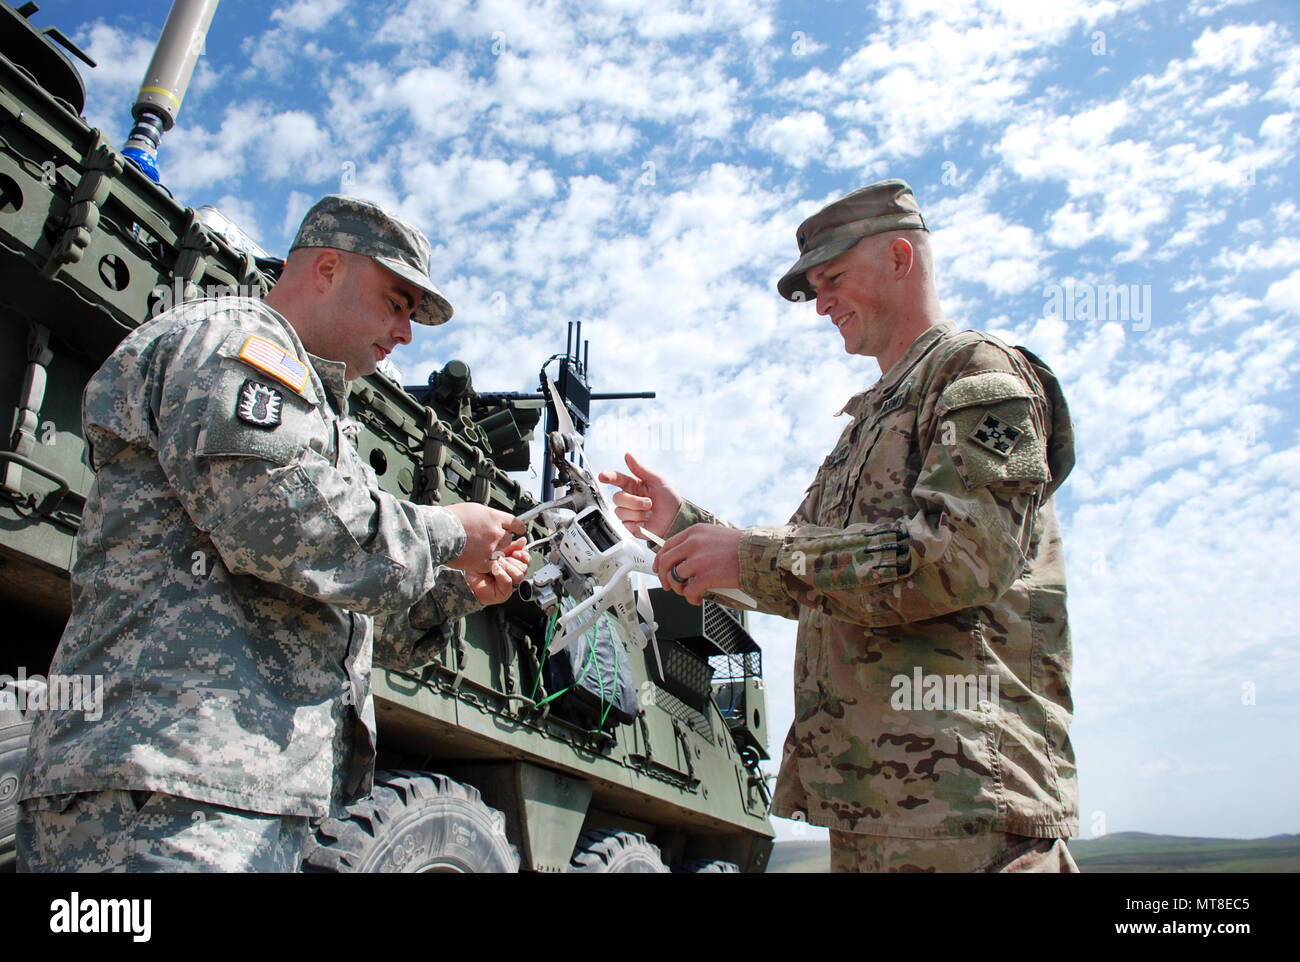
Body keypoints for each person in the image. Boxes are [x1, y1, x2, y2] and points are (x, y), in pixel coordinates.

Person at [16, 195, 530, 872]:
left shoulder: (316, 410)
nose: (406, 332)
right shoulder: (235, 341)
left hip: (238, 799)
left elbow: (341, 612)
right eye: (397, 301)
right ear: (326, 267)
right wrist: (441, 532)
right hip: (166, 793)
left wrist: (458, 589)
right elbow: (278, 521)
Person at [601, 180, 1078, 872]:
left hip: (969, 807)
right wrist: (686, 526)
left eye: (832, 279)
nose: (821, 303)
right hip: (874, 811)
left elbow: (960, 559)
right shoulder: (866, 425)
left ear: (900, 258)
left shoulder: (978, 376)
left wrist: (750, 556)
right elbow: (799, 575)